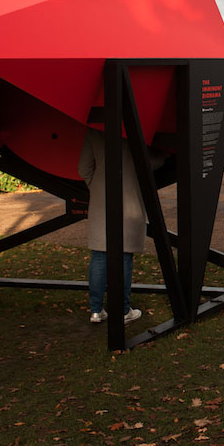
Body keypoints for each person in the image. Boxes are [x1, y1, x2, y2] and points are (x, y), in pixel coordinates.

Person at [78, 128, 145, 324]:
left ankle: (96, 310)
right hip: (129, 196)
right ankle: (123, 310)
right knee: (124, 255)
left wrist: (97, 186)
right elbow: (148, 162)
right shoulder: (135, 126)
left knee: (99, 255)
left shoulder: (93, 131)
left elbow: (83, 168)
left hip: (101, 197)